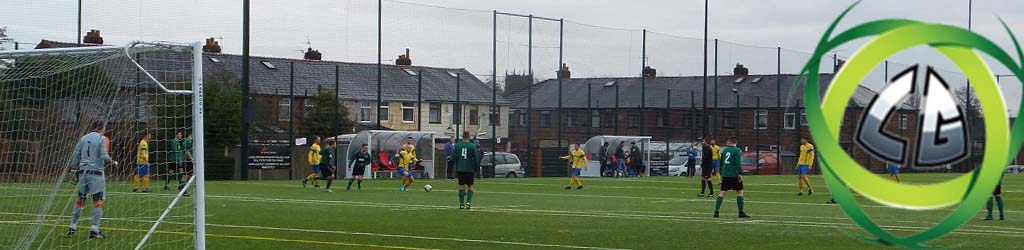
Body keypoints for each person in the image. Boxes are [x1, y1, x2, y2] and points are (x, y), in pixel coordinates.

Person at [67, 120, 116, 239]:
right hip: (96, 173)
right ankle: (94, 230)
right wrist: (113, 162)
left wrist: (73, 170)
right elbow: (104, 156)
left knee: (80, 199)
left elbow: (75, 155)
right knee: (98, 201)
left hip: (83, 172)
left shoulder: (84, 138)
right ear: (101, 128)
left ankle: (72, 227)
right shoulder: (102, 138)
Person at [714, 137, 750, 219]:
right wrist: (740, 173)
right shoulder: (737, 150)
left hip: (725, 174)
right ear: (735, 142)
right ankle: (741, 212)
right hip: (734, 174)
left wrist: (721, 171)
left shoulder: (725, 150)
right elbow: (738, 163)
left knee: (722, 192)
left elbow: (722, 162)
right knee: (740, 192)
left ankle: (716, 211)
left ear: (730, 142)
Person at [454, 131, 479, 209]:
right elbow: (476, 159)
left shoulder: (457, 146)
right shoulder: (472, 146)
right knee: (470, 186)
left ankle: (461, 204)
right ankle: (468, 203)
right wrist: (475, 169)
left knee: (461, 186)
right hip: (469, 169)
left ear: (462, 137)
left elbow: (454, 157)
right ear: (469, 137)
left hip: (460, 169)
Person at [179, 131, 194, 196]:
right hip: (186, 160)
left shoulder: (188, 140)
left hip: (187, 160)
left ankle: (181, 187)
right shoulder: (188, 141)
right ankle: (183, 190)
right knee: (185, 175)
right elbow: (187, 151)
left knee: (190, 175)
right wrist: (192, 159)